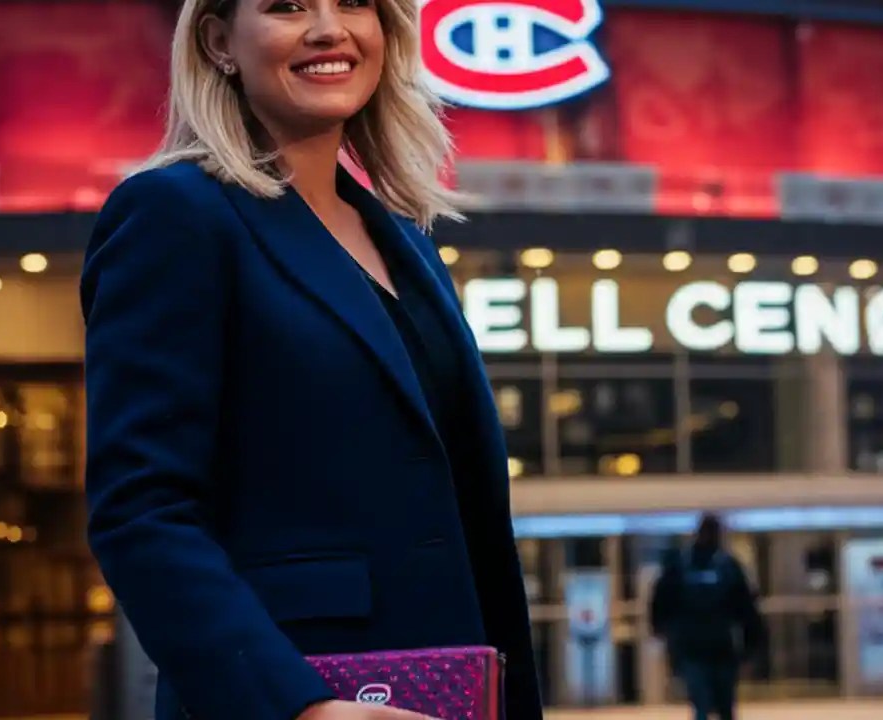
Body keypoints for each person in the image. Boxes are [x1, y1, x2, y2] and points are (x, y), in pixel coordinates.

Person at [79, 1, 541, 719]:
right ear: (218, 40)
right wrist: (299, 707)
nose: (330, 29)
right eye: (288, 6)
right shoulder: (174, 214)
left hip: (445, 688)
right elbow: (141, 513)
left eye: (353, 2)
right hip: (296, 696)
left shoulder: (405, 236)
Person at [649, 514, 764, 720]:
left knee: (711, 705)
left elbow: (746, 609)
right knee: (715, 705)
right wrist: (751, 646)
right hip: (708, 648)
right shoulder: (724, 566)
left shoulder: (686, 565)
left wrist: (662, 632)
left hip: (706, 648)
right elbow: (747, 609)